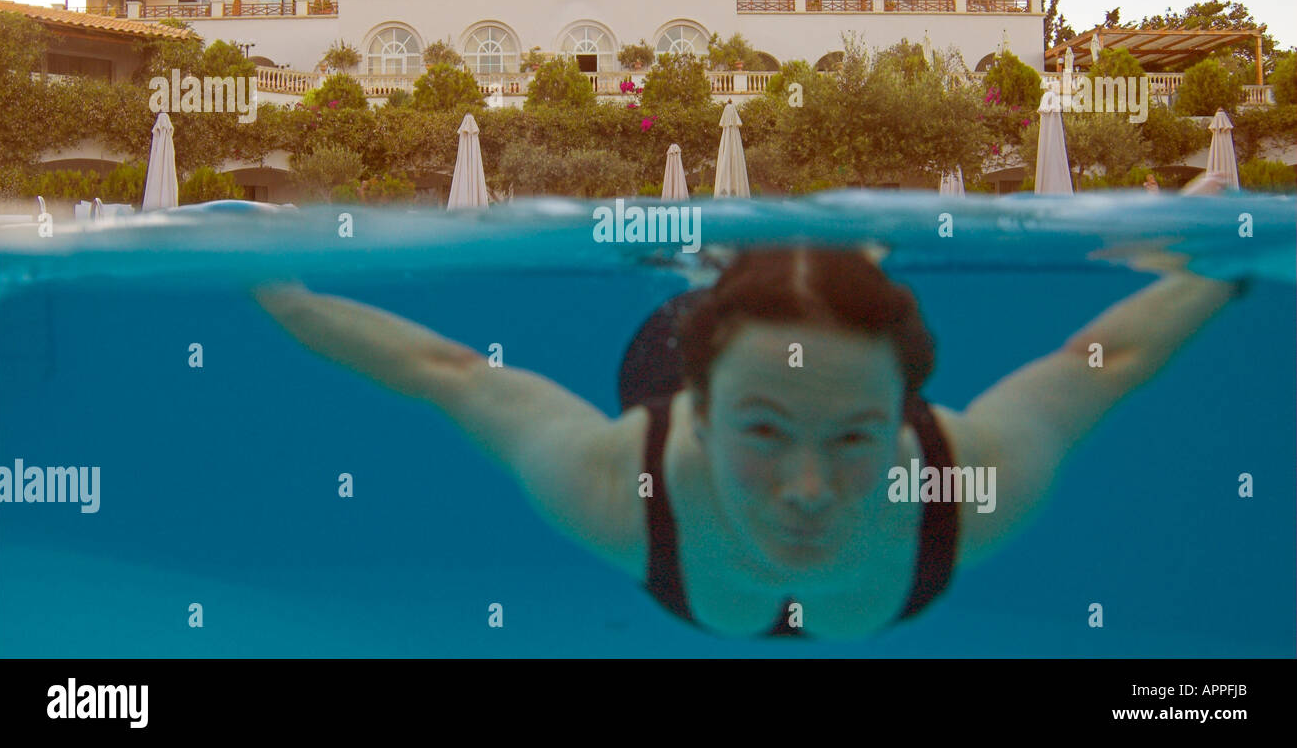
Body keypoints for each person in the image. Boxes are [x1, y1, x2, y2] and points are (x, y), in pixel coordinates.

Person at [256, 246, 1242, 639]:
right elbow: (446, 370)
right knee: (715, 313)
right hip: (689, 349)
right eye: (763, 433)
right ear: (698, 407)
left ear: (906, 408)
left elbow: (1102, 359)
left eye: (858, 436)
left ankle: (797, 278)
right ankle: (721, 273)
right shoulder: (613, 477)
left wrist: (1228, 266)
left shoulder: (970, 483)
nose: (807, 490)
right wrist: (282, 290)